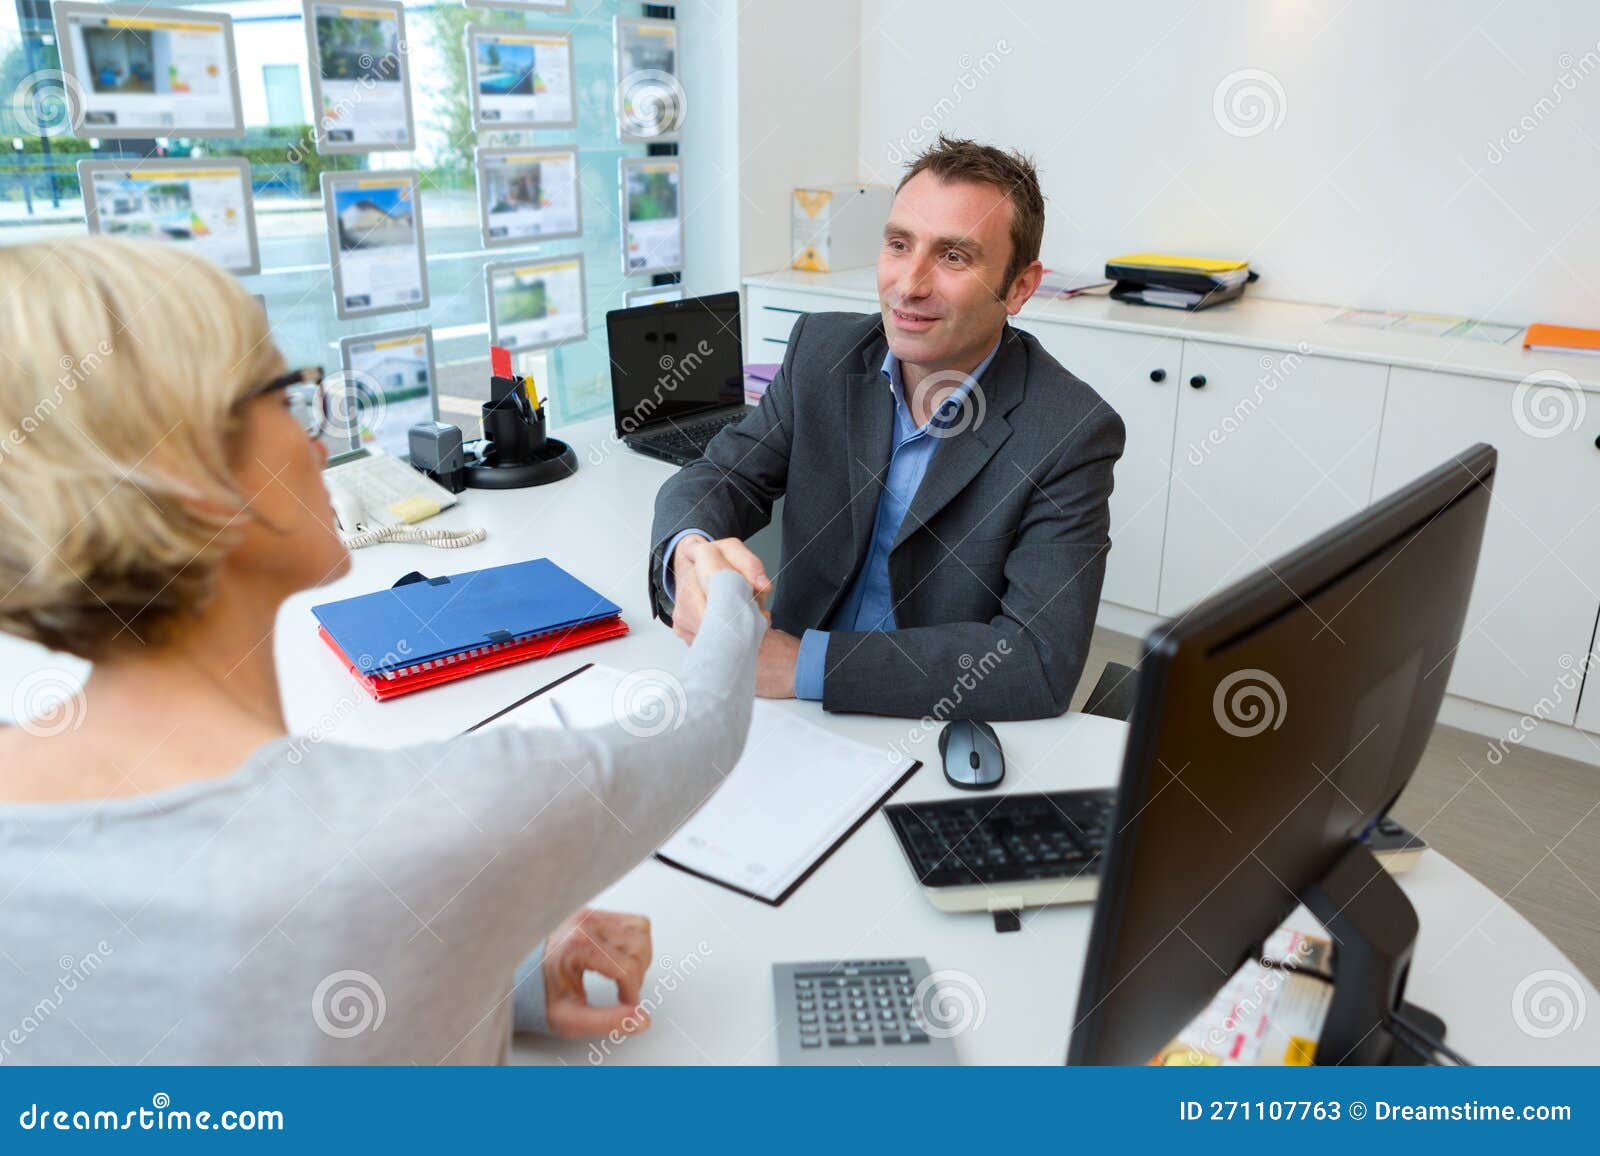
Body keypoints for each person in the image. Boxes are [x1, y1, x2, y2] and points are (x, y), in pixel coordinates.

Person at [0, 237, 765, 1064]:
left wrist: (480, 979)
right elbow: (700, 730)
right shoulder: (405, 829)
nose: (320, 442)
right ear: (193, 472)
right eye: (289, 398)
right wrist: (724, 584)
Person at [650, 136, 1126, 720]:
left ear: (1021, 287)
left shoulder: (1069, 431)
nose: (909, 284)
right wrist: (688, 552)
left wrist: (799, 666)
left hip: (929, 720)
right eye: (899, 244)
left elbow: (1038, 660)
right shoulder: (821, 352)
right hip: (783, 714)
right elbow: (724, 475)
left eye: (954, 256)